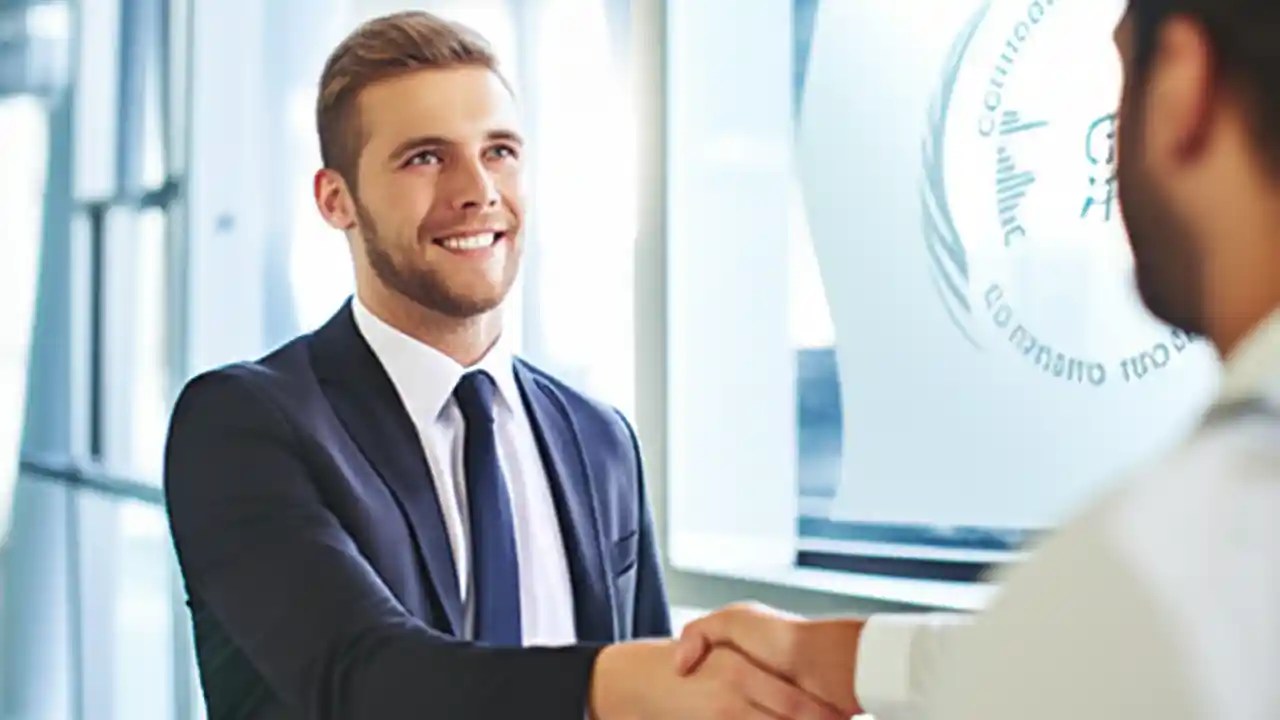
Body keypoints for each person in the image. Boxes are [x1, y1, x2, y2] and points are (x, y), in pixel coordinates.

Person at [164, 11, 845, 720]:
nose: (478, 191)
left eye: (499, 152)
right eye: (425, 157)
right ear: (337, 200)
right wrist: (618, 681)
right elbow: (360, 677)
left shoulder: (599, 439)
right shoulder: (242, 424)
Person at [676, 1, 1280, 718]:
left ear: (1184, 84)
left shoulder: (1165, 564)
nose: (1110, 151)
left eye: (1119, 88)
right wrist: (829, 656)